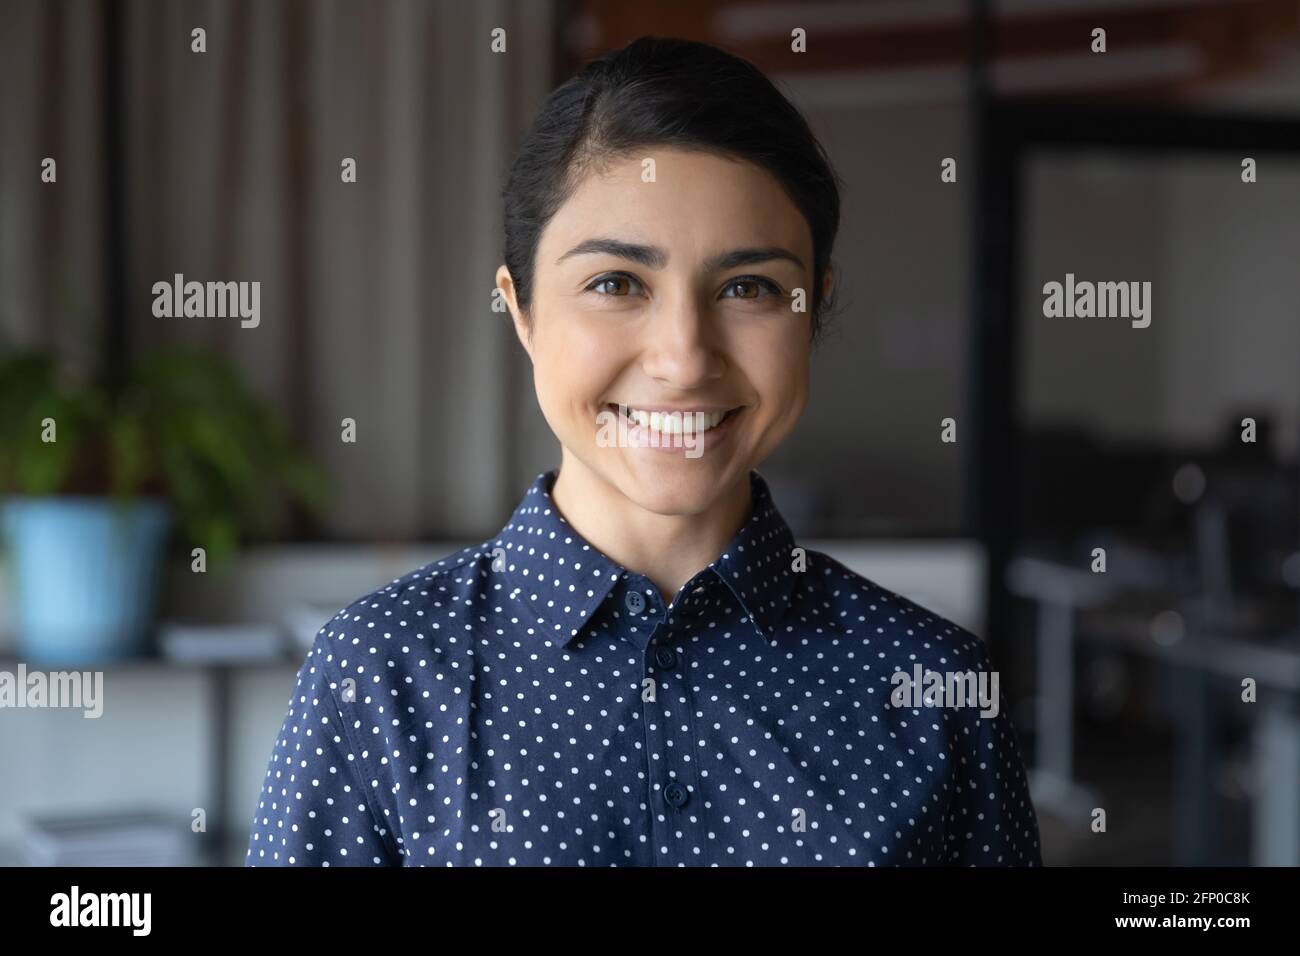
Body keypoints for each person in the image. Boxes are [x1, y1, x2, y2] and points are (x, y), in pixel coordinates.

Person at [246, 35, 1040, 867]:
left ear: (814, 309)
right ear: (520, 309)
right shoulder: (381, 672)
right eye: (616, 284)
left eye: (749, 288)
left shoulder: (931, 683)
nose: (684, 357)